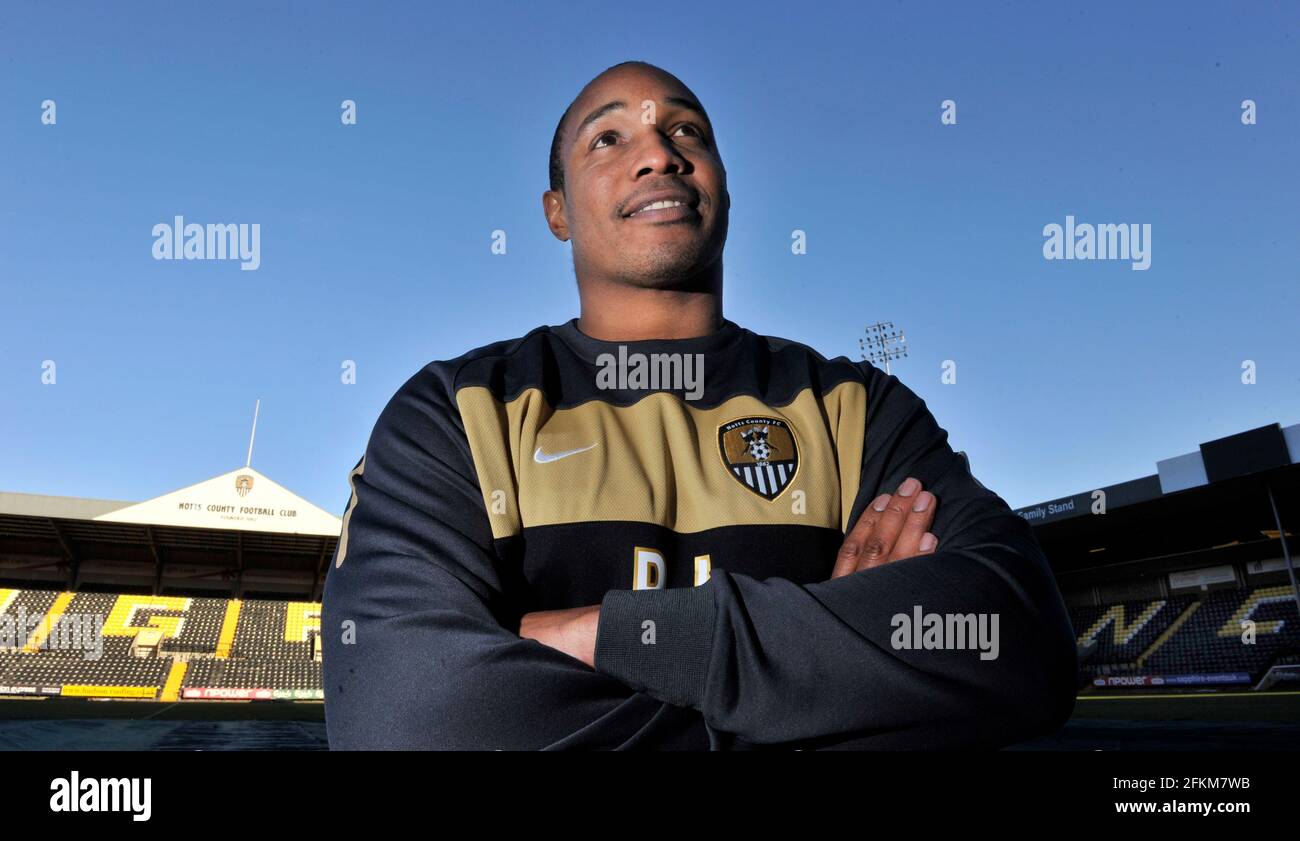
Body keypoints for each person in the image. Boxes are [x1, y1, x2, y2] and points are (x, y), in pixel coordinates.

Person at [321, 60, 1077, 750]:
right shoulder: (458, 412)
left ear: (722, 183)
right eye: (608, 139)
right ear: (557, 212)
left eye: (686, 130)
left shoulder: (855, 407)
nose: (658, 153)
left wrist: (606, 635)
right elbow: (408, 716)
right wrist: (824, 680)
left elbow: (1018, 640)